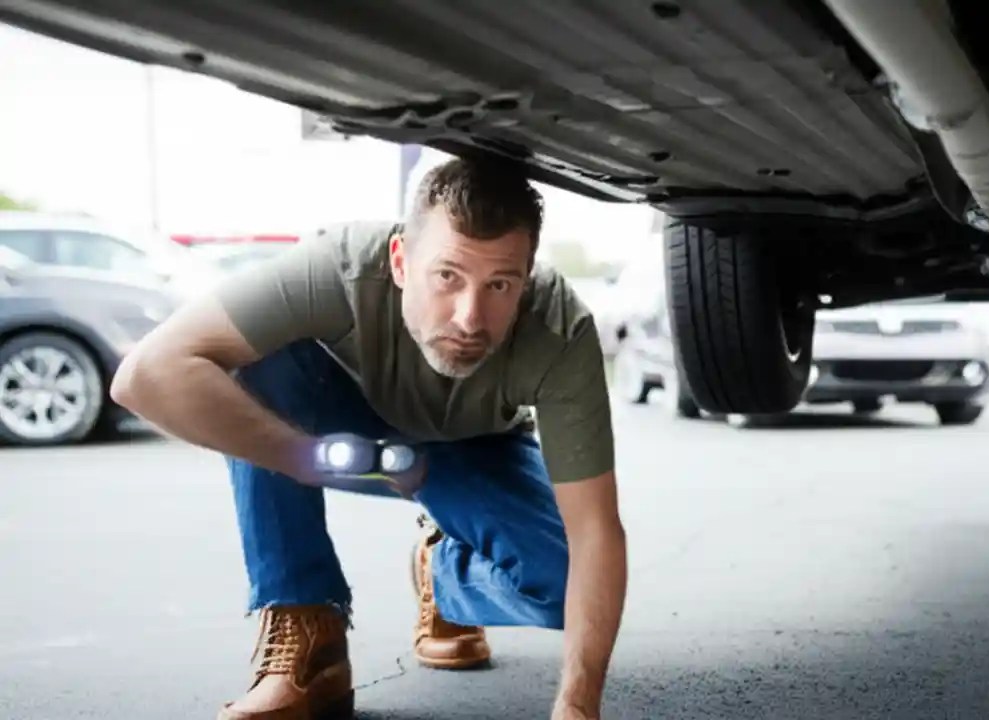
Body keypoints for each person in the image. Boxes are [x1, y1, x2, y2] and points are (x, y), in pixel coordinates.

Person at [110, 157, 628, 720]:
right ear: (402, 261)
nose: (470, 317)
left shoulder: (560, 330)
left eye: (499, 284)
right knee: (251, 365)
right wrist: (297, 458)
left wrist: (578, 706)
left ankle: (442, 572)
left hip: (476, 448)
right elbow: (144, 376)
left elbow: (595, 531)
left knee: (556, 580)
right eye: (447, 276)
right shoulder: (337, 266)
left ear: (526, 280)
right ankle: (307, 636)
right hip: (343, 437)